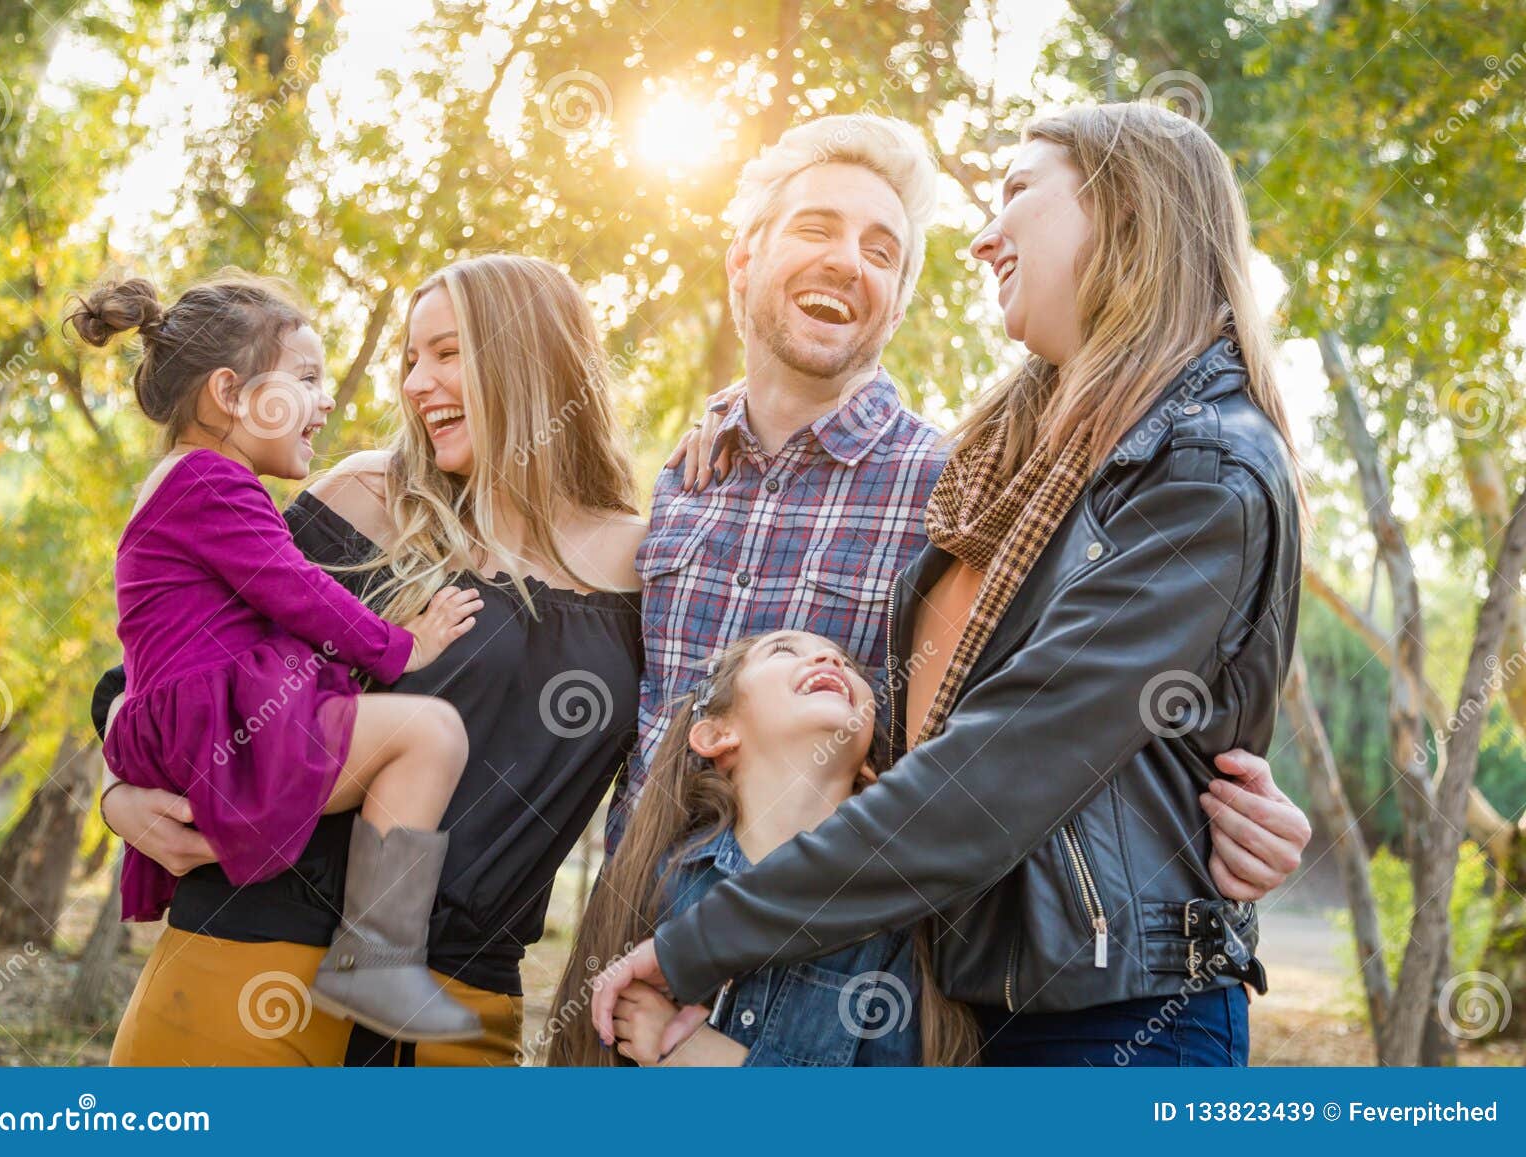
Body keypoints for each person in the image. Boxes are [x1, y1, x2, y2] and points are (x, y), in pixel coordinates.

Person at [592, 103, 1310, 1066]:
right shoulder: (1007, 477)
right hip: (713, 965)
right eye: (815, 229)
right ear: (742, 259)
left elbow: (1001, 764)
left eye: (1017, 192)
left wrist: (1213, 816)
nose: (983, 236)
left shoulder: (1180, 465)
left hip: (1052, 1005)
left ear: (1126, 215)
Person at [92, 254, 646, 1065]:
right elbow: (162, 667)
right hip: (252, 961)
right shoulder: (366, 500)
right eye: (410, 360)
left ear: (534, 356)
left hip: (460, 1005)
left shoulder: (651, 565)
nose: (417, 384)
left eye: (448, 353)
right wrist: (117, 795)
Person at [73, 272, 484, 1041]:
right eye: (306, 379)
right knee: (430, 734)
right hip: (215, 728)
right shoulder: (211, 483)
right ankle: (378, 957)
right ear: (231, 393)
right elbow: (301, 592)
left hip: (182, 724)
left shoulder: (183, 483)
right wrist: (405, 643)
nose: (325, 400)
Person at [547, 630, 976, 1067]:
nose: (830, 657)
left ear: (867, 763)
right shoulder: (662, 885)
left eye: (847, 664)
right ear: (717, 734)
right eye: (785, 650)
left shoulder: (893, 913)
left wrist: (706, 1056)